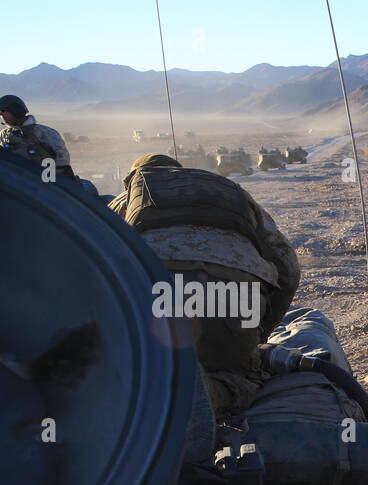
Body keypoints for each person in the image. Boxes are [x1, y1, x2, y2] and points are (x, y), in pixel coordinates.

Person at [108, 153, 301, 420]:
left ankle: (169, 390)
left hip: (159, 296)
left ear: (132, 178)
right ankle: (213, 392)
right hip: (236, 296)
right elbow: (288, 266)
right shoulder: (233, 192)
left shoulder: (126, 200)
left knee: (133, 369)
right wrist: (259, 333)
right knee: (243, 376)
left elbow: (93, 268)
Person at [0, 94, 74, 177]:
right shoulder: (4, 134)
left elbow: (62, 161)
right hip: (16, 181)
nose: (1, 116)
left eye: (3, 112)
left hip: (43, 182)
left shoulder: (45, 133)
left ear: (15, 110)